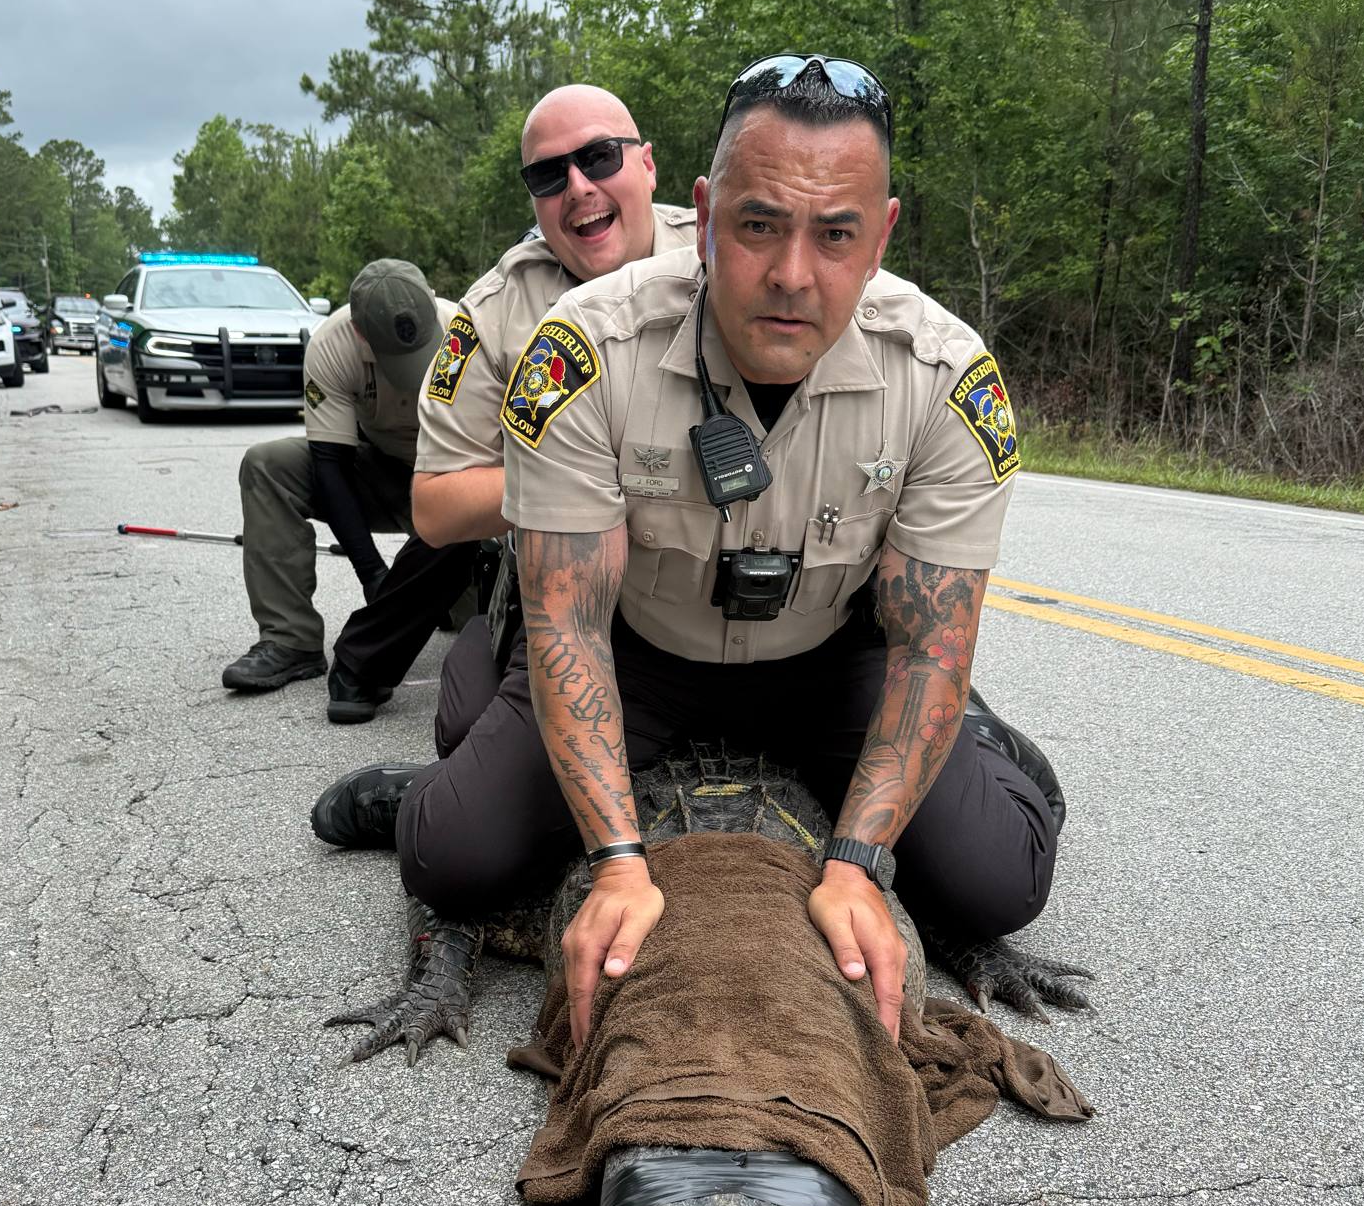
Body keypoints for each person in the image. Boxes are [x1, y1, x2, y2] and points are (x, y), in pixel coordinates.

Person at [317, 55, 1069, 1043]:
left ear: (881, 234)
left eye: (836, 233)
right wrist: (618, 861)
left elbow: (931, 644)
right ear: (706, 213)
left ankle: (978, 740)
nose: (792, 273)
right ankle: (424, 785)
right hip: (637, 649)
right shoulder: (582, 349)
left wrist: (858, 863)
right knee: (451, 855)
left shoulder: (948, 378)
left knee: (998, 882)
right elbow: (566, 623)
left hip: (829, 657)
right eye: (758, 225)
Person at [310, 82, 695, 830]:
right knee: (464, 743)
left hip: (722, 592)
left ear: (647, 163)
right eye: (549, 175)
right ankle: (438, 775)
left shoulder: (728, 257)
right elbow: (435, 507)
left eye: (599, 157)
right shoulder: (490, 313)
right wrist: (597, 476)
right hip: (565, 588)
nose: (577, 186)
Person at [221, 259, 465, 723]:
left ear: (433, 303)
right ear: (359, 333)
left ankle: (454, 599)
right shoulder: (332, 345)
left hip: (452, 481)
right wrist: (374, 575)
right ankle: (290, 639)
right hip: (379, 472)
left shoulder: (469, 330)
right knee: (268, 465)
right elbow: (329, 468)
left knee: (476, 622)